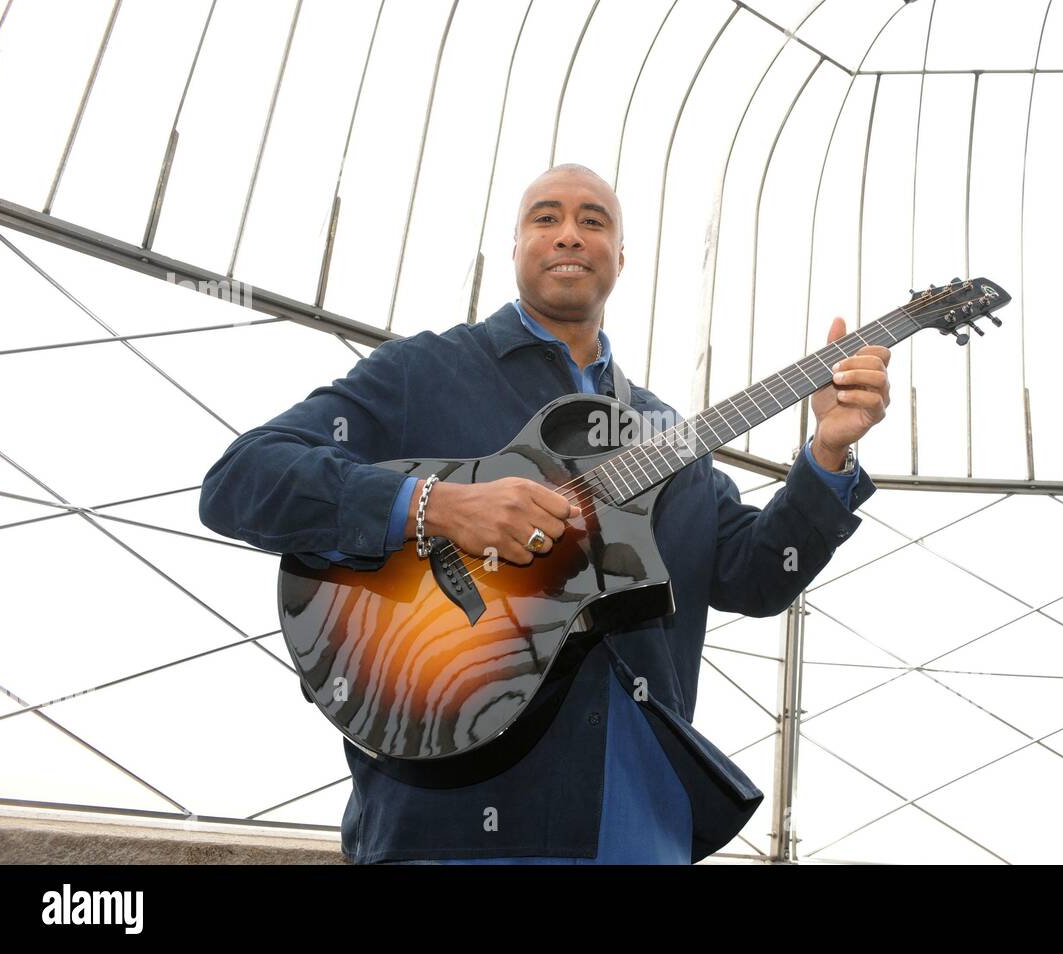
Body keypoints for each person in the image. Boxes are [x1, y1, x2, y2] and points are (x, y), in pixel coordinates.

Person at [198, 163, 891, 864]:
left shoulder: (666, 433)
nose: (569, 234)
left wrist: (828, 454)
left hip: (636, 816)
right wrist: (435, 507)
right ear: (516, 247)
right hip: (450, 818)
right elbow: (241, 479)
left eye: (594, 221)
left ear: (620, 256)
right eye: (546, 217)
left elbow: (757, 577)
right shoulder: (424, 373)